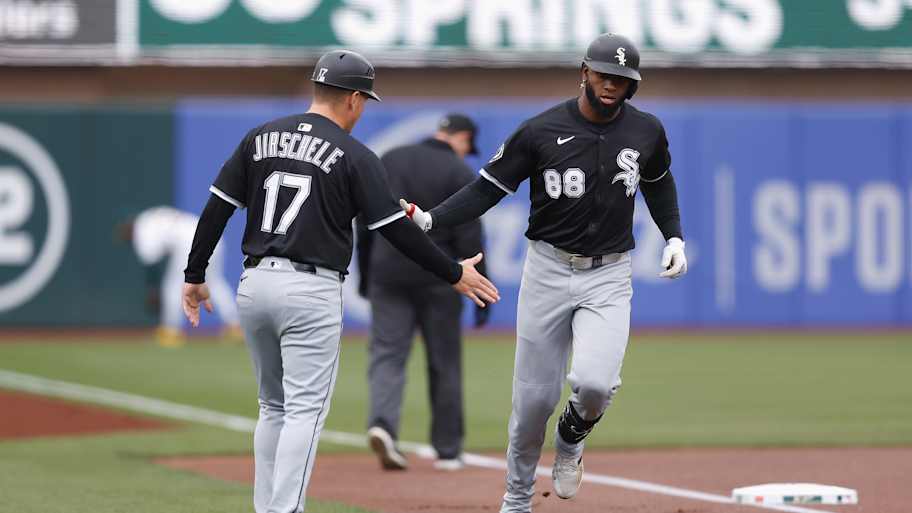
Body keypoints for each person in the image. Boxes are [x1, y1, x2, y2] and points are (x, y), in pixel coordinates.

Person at [180, 50, 498, 513]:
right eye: (364, 100)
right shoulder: (354, 153)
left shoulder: (259, 137)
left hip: (255, 283)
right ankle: (285, 510)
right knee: (305, 411)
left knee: (273, 407)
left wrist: (195, 275)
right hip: (310, 289)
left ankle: (266, 508)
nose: (363, 108)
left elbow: (217, 207)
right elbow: (393, 230)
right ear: (352, 98)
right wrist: (453, 272)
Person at [400, 33, 687, 513]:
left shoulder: (647, 131)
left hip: (609, 272)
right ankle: (516, 499)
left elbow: (658, 184)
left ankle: (572, 436)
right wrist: (431, 219)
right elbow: (486, 189)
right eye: (604, 74)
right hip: (549, 269)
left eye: (622, 78)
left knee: (596, 384)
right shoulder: (540, 129)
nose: (612, 84)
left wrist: (674, 235)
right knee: (533, 402)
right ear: (584, 72)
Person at [356, 113, 488, 472]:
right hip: (442, 277)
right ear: (460, 138)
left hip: (388, 272)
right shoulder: (459, 172)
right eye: (467, 145)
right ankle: (447, 451)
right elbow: (470, 239)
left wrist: (366, 273)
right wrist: (481, 293)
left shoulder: (392, 158)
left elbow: (366, 219)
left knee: (387, 354)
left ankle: (382, 424)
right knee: (444, 362)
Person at [118, 206, 240, 347]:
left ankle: (171, 330)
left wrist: (152, 290)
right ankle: (234, 326)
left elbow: (150, 265)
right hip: (212, 237)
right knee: (214, 283)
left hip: (189, 244)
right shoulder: (152, 217)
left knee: (173, 286)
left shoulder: (141, 229)